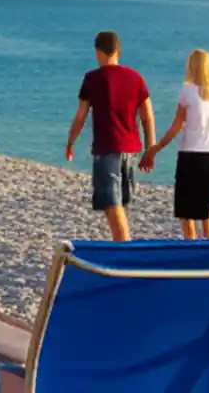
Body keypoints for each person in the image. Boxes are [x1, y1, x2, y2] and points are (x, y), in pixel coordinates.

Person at [65, 31, 155, 243]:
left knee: (111, 204)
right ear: (118, 51)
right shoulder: (136, 77)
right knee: (120, 203)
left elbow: (81, 116)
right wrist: (150, 149)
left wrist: (70, 141)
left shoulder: (93, 78)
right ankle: (122, 246)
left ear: (98, 52)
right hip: (131, 149)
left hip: (107, 147)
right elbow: (148, 117)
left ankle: (124, 250)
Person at [141, 50, 209, 240]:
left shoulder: (187, 90)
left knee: (186, 211)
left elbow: (176, 126)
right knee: (208, 213)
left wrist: (155, 149)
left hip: (190, 155)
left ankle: (191, 246)